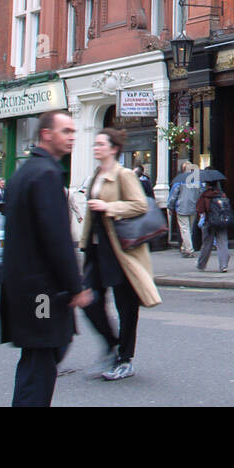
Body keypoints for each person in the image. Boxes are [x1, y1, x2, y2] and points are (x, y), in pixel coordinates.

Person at [0, 111, 92, 407]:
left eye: (74, 131)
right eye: (65, 131)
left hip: (25, 287)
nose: (72, 136)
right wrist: (75, 286)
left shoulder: (23, 173)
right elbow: (56, 238)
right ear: (47, 134)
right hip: (41, 294)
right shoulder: (47, 175)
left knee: (42, 356)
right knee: (41, 359)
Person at [80, 128, 161, 380]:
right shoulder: (96, 175)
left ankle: (125, 359)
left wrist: (108, 206)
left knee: (125, 306)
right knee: (88, 301)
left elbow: (139, 204)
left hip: (119, 249)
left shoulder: (124, 175)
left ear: (113, 148)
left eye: (101, 144)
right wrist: (84, 243)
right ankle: (111, 344)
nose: (96, 148)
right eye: (95, 144)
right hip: (95, 248)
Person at [196, 178, 233, 272]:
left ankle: (201, 264)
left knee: (207, 244)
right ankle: (223, 265)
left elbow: (200, 209)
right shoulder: (222, 194)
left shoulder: (205, 195)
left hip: (209, 222)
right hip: (221, 221)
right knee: (223, 243)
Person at [169, 161, 201, 256]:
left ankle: (189, 250)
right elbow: (200, 194)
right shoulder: (197, 181)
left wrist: (170, 206)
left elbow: (173, 195)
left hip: (182, 207)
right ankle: (184, 247)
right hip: (193, 207)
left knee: (184, 229)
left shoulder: (179, 181)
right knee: (189, 229)